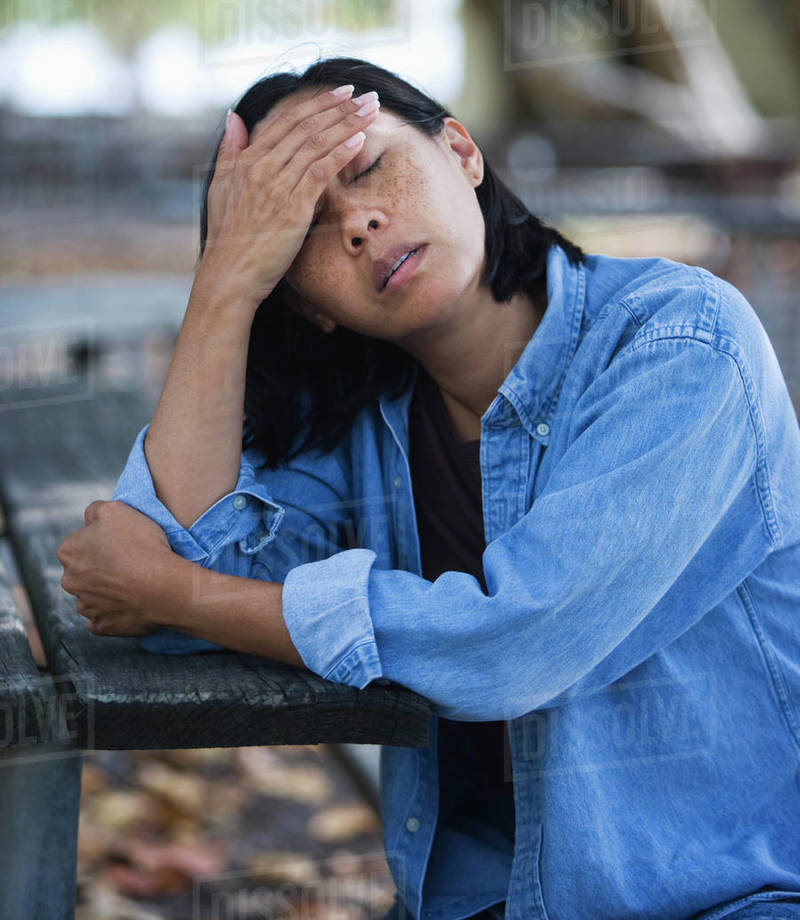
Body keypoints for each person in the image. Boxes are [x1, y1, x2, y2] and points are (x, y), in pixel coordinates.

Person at [57, 56, 800, 920]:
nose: (360, 225)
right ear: (308, 306)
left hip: (733, 898)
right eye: (301, 228)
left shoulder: (680, 346)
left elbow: (515, 645)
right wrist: (226, 278)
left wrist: (180, 593)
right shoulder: (366, 431)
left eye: (368, 168)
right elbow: (155, 562)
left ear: (462, 151)